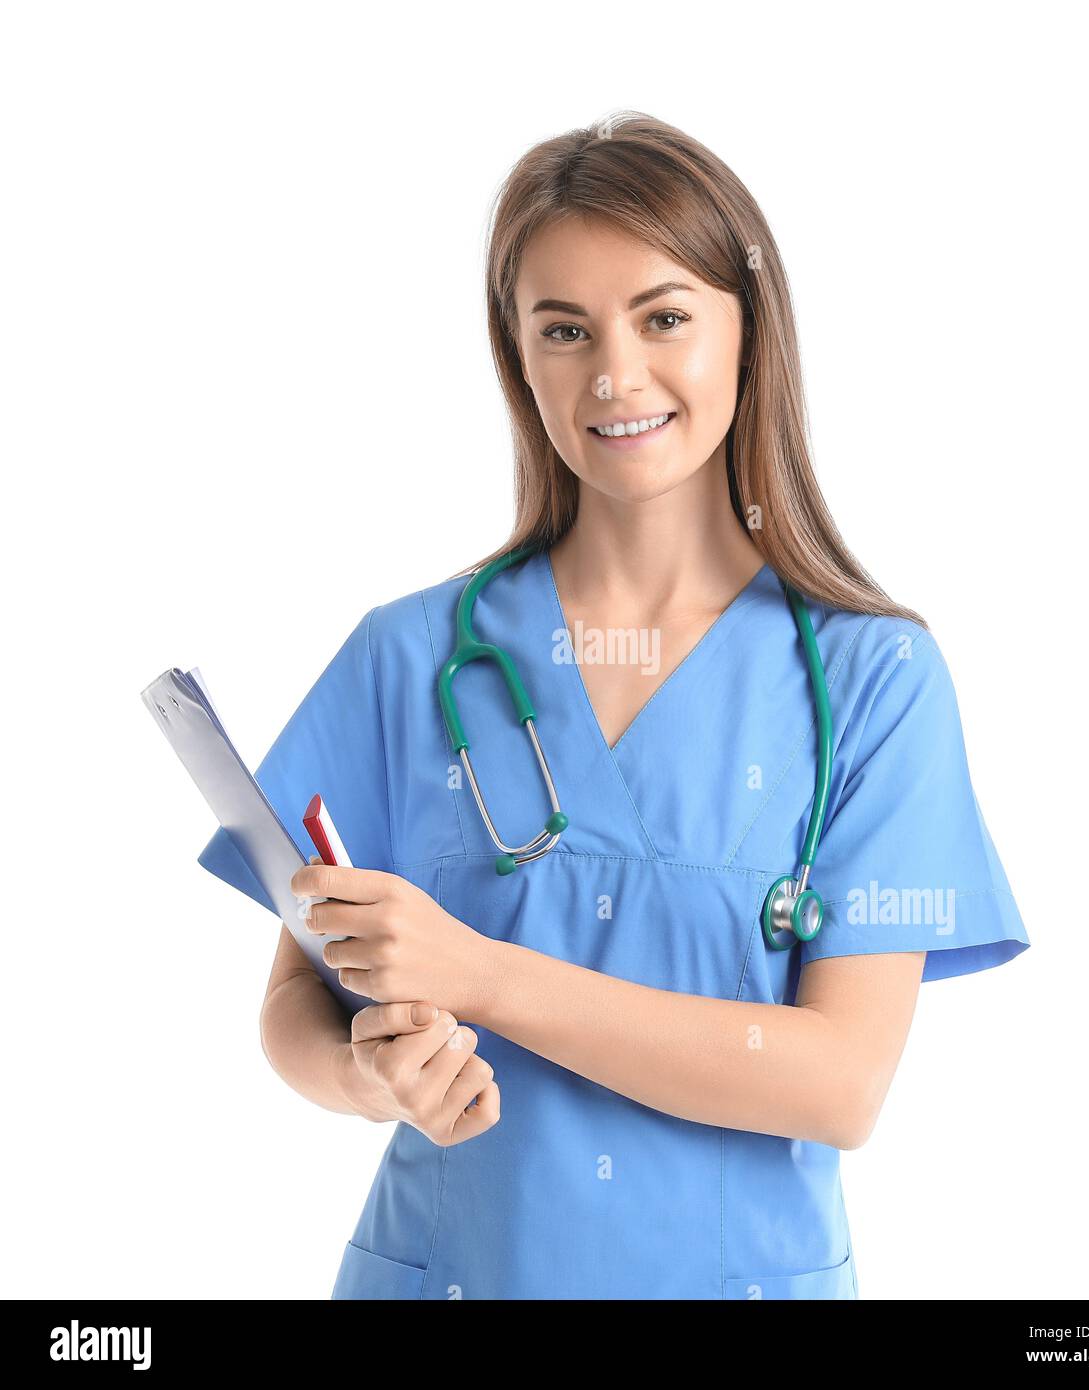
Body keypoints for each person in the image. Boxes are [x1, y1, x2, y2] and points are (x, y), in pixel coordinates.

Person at [198, 112, 1029, 1300]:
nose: (614, 375)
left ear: (750, 329)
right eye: (564, 329)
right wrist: (369, 1077)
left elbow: (839, 1082)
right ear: (517, 356)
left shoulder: (871, 680)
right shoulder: (409, 655)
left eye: (664, 316)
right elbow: (295, 1007)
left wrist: (481, 975)